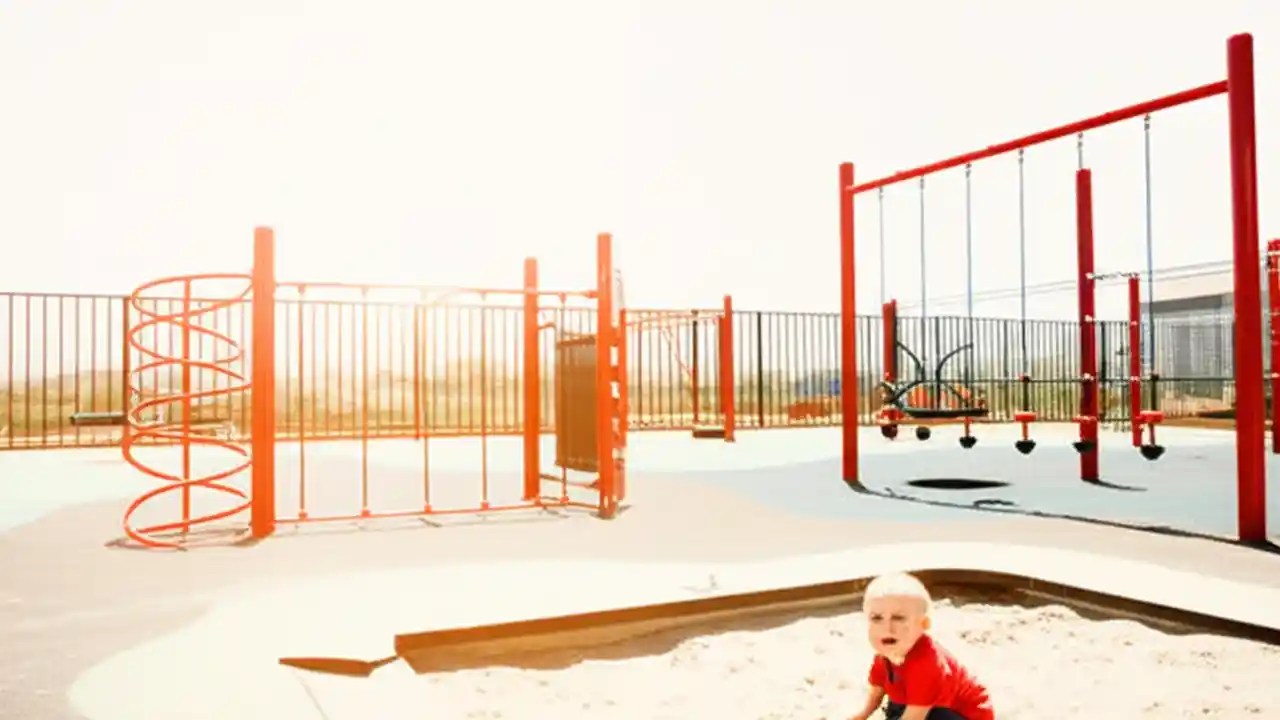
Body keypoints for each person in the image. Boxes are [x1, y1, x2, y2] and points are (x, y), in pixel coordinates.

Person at [848, 573, 994, 720]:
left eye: (899, 618)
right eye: (877, 618)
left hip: (963, 714)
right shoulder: (885, 654)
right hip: (918, 702)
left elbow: (914, 717)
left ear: (923, 625)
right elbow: (877, 690)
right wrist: (862, 715)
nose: (887, 628)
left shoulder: (927, 664)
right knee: (895, 706)